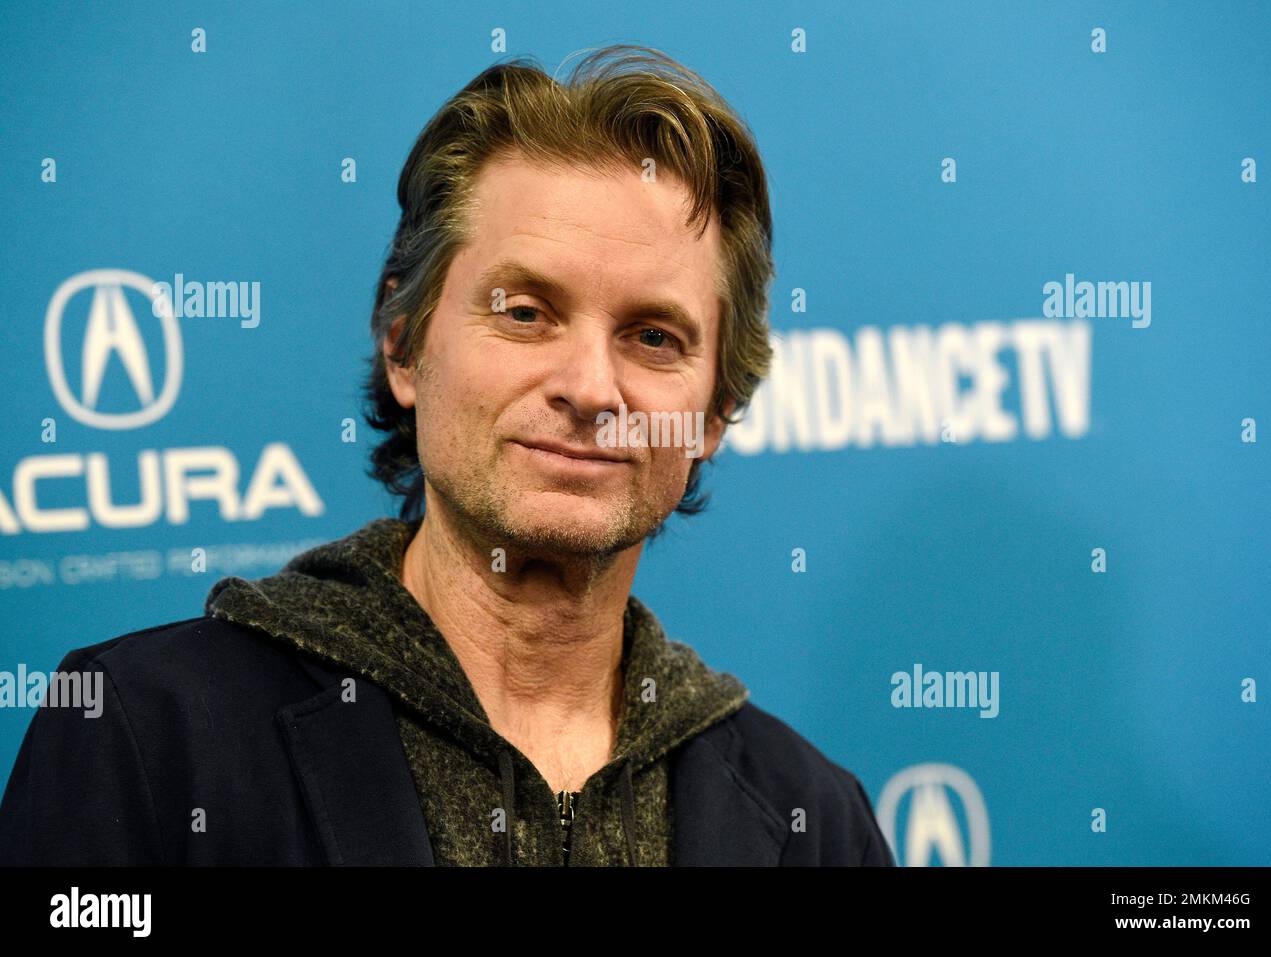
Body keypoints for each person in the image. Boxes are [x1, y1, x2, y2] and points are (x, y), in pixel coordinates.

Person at [0, 45, 894, 867]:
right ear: (403, 342)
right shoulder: (146, 734)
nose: (589, 388)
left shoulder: (815, 820)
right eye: (524, 312)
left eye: (654, 336)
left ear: (716, 411)